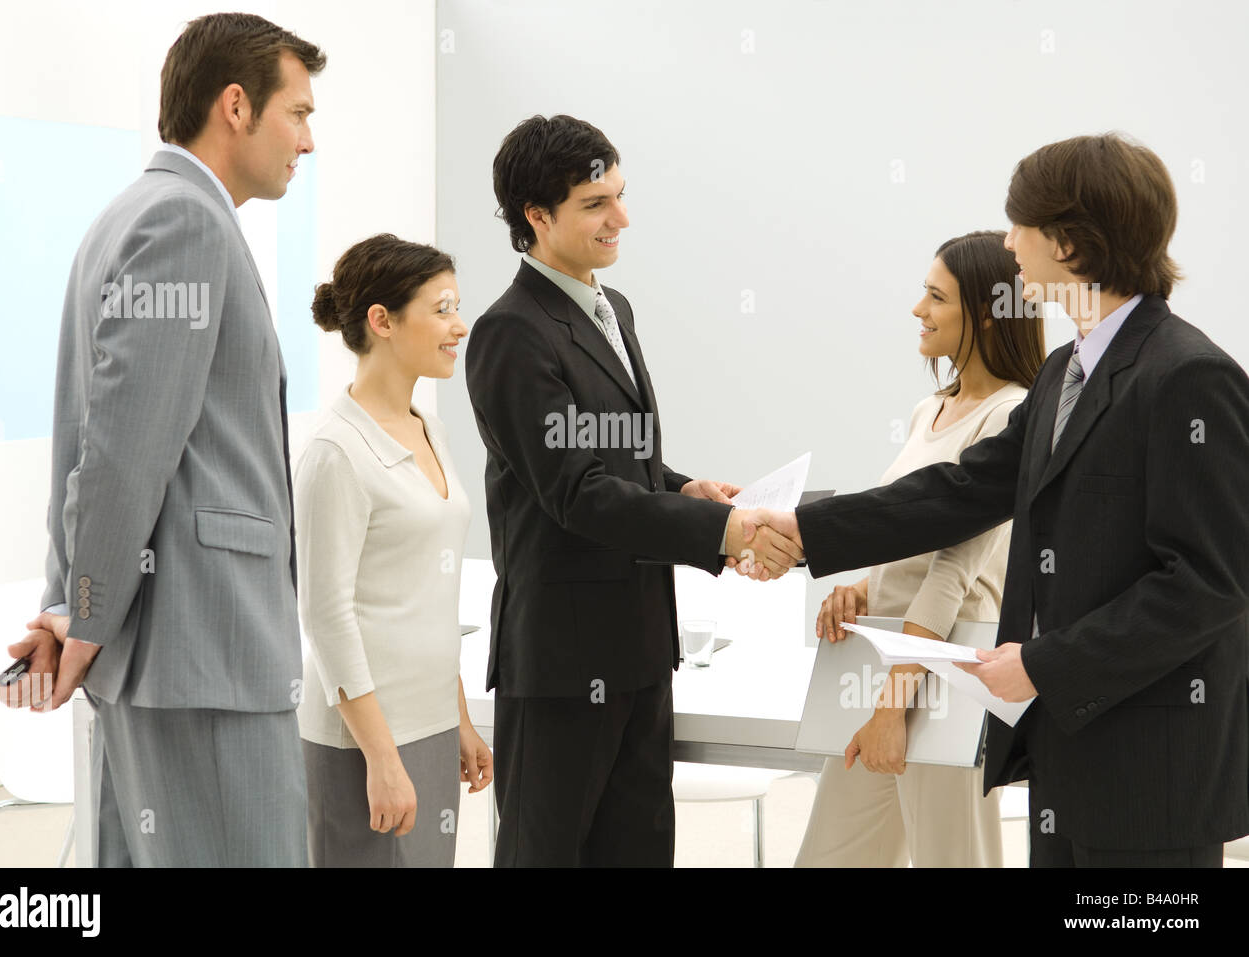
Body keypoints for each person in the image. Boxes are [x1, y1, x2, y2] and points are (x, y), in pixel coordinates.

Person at [750, 133, 1249, 866]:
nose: (1010, 242)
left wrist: (1045, 664)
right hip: (1066, 757)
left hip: (1153, 772)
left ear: (1072, 243)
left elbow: (1210, 584)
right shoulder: (1061, 374)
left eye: (1022, 225)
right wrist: (799, 530)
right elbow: (959, 491)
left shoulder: (1189, 377)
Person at [0, 13, 326, 866]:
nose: (309, 141)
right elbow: (124, 451)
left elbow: (101, 439)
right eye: (299, 113)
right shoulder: (184, 222)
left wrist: (74, 608)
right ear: (237, 106)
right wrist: (89, 613)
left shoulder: (130, 215)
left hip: (174, 649)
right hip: (207, 652)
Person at [464, 114, 800, 867]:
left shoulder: (613, 310)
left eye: (620, 194)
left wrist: (689, 488)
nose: (621, 217)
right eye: (595, 204)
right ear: (537, 217)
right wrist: (722, 532)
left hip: (642, 648)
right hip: (561, 660)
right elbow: (578, 491)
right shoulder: (511, 332)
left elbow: (622, 459)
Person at [794, 231, 1043, 867]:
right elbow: (909, 538)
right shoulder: (928, 410)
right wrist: (865, 587)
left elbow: (953, 574)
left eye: (936, 296)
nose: (917, 309)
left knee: (954, 860)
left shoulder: (1011, 416)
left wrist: (891, 709)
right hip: (888, 671)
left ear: (985, 314)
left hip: (944, 678)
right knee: (831, 856)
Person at [296, 234, 491, 867]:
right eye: (441, 309)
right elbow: (326, 615)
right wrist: (382, 759)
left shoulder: (425, 426)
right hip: (363, 742)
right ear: (382, 321)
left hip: (429, 724)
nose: (458, 325)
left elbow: (424, 599)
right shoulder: (335, 451)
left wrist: (457, 716)